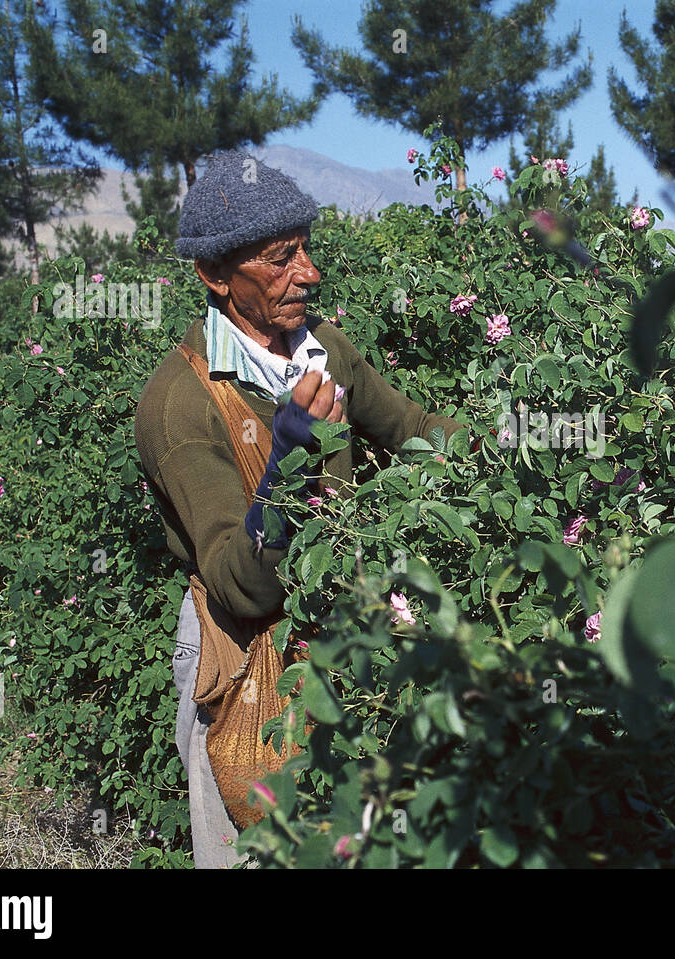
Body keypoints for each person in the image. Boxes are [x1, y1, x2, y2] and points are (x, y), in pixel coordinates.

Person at [134, 152, 464, 867]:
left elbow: (413, 429)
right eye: (281, 259)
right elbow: (242, 586)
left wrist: (514, 451)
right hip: (242, 655)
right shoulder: (180, 405)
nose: (308, 274)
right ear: (216, 275)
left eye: (305, 251)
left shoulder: (323, 350)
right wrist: (287, 459)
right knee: (257, 848)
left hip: (338, 630)